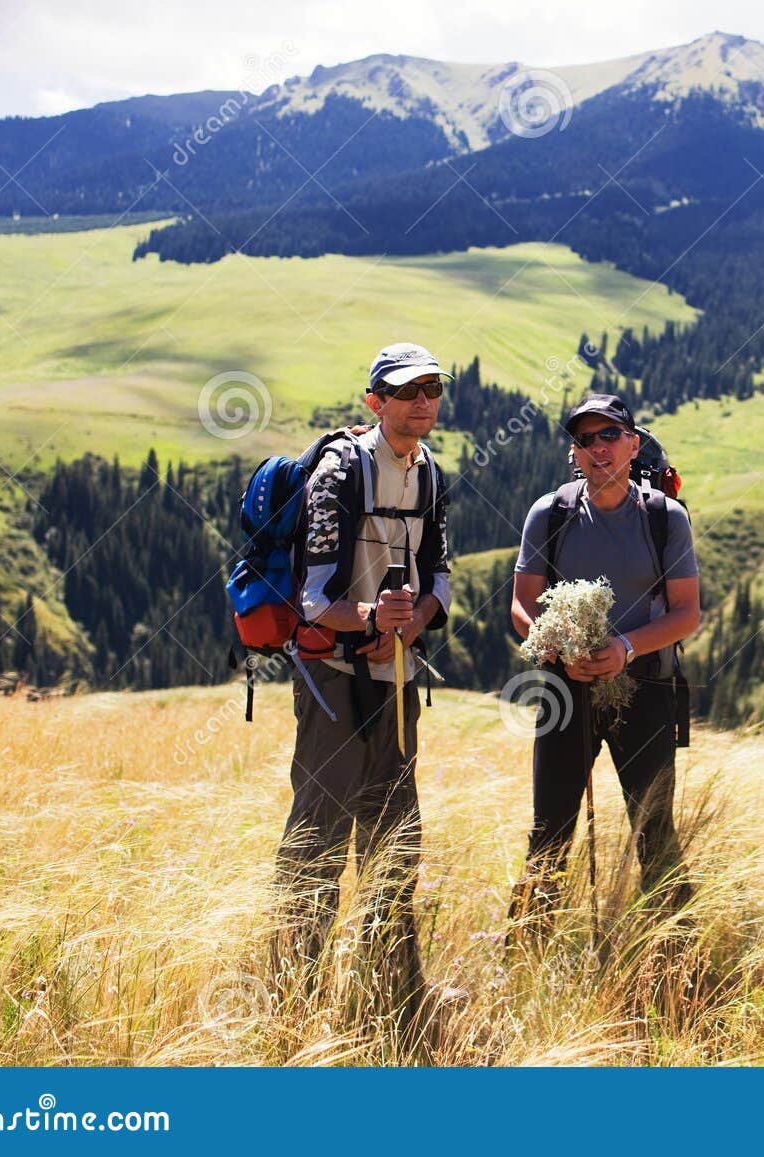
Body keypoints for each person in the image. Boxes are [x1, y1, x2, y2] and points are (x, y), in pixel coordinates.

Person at [271, 342, 452, 1033]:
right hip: (334, 678)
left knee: (395, 838)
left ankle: (395, 994)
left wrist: (408, 628)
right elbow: (314, 598)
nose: (422, 401)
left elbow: (440, 580)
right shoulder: (340, 472)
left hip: (395, 676)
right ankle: (293, 996)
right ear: (375, 402)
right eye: (407, 390)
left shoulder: (430, 473)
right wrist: (372, 620)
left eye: (432, 388)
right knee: (318, 837)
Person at [508, 393, 701, 937]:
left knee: (654, 829)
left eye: (610, 435)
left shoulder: (664, 519)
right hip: (564, 690)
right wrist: (558, 647)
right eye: (585, 439)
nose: (598, 448)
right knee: (549, 831)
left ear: (633, 445)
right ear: (574, 453)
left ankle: (677, 957)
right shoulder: (550, 514)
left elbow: (687, 613)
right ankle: (522, 955)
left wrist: (625, 649)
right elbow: (522, 605)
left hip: (646, 689)